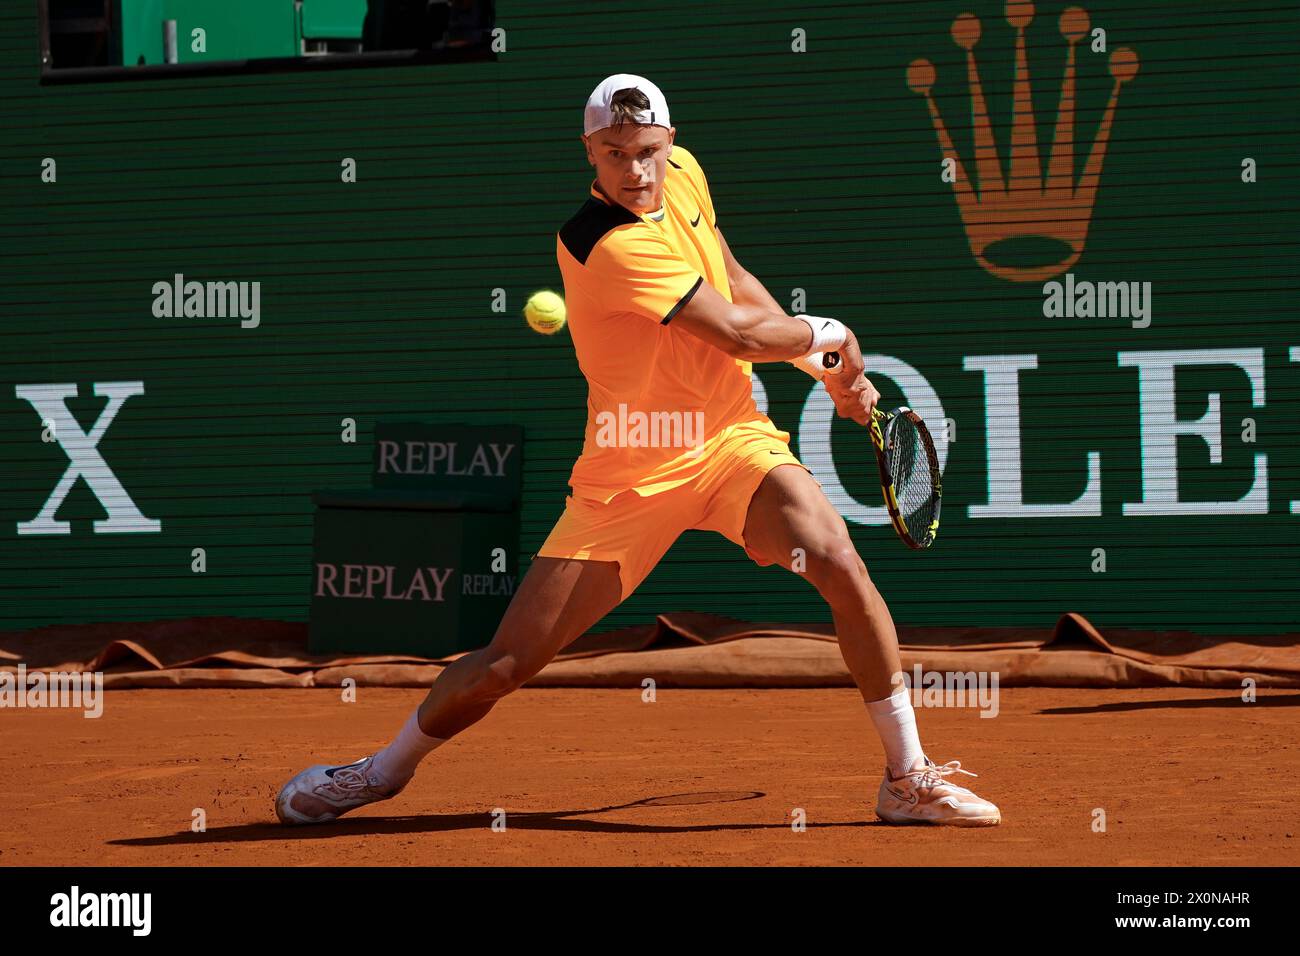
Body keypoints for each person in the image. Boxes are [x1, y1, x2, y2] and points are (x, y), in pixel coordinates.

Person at [276, 73, 1000, 828]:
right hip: (630, 474)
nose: (637, 172)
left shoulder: (684, 178)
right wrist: (831, 338)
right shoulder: (604, 241)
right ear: (588, 150)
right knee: (505, 666)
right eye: (616, 154)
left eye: (649, 151)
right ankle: (379, 773)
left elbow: (736, 283)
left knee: (838, 560)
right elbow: (736, 334)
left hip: (730, 442)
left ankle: (907, 778)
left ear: (672, 144)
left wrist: (826, 372)